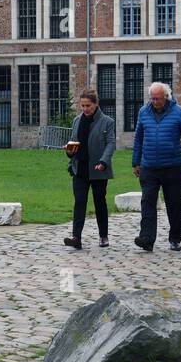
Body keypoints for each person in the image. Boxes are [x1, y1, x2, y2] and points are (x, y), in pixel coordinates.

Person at [131, 82, 181, 252]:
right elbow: (138, 138)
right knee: (147, 203)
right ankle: (147, 238)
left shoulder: (179, 112)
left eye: (158, 99)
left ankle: (175, 238)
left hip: (172, 167)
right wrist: (136, 162)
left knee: (174, 205)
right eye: (152, 98)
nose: (154, 102)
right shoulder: (143, 112)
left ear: (166, 97)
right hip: (149, 167)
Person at [63, 88, 116, 250]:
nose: (85, 109)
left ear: (96, 104)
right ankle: (76, 237)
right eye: (83, 106)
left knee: (100, 202)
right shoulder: (77, 121)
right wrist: (69, 151)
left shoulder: (107, 122)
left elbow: (111, 144)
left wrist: (103, 161)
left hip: (98, 169)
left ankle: (103, 235)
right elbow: (74, 142)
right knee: (79, 202)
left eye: (88, 106)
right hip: (80, 168)